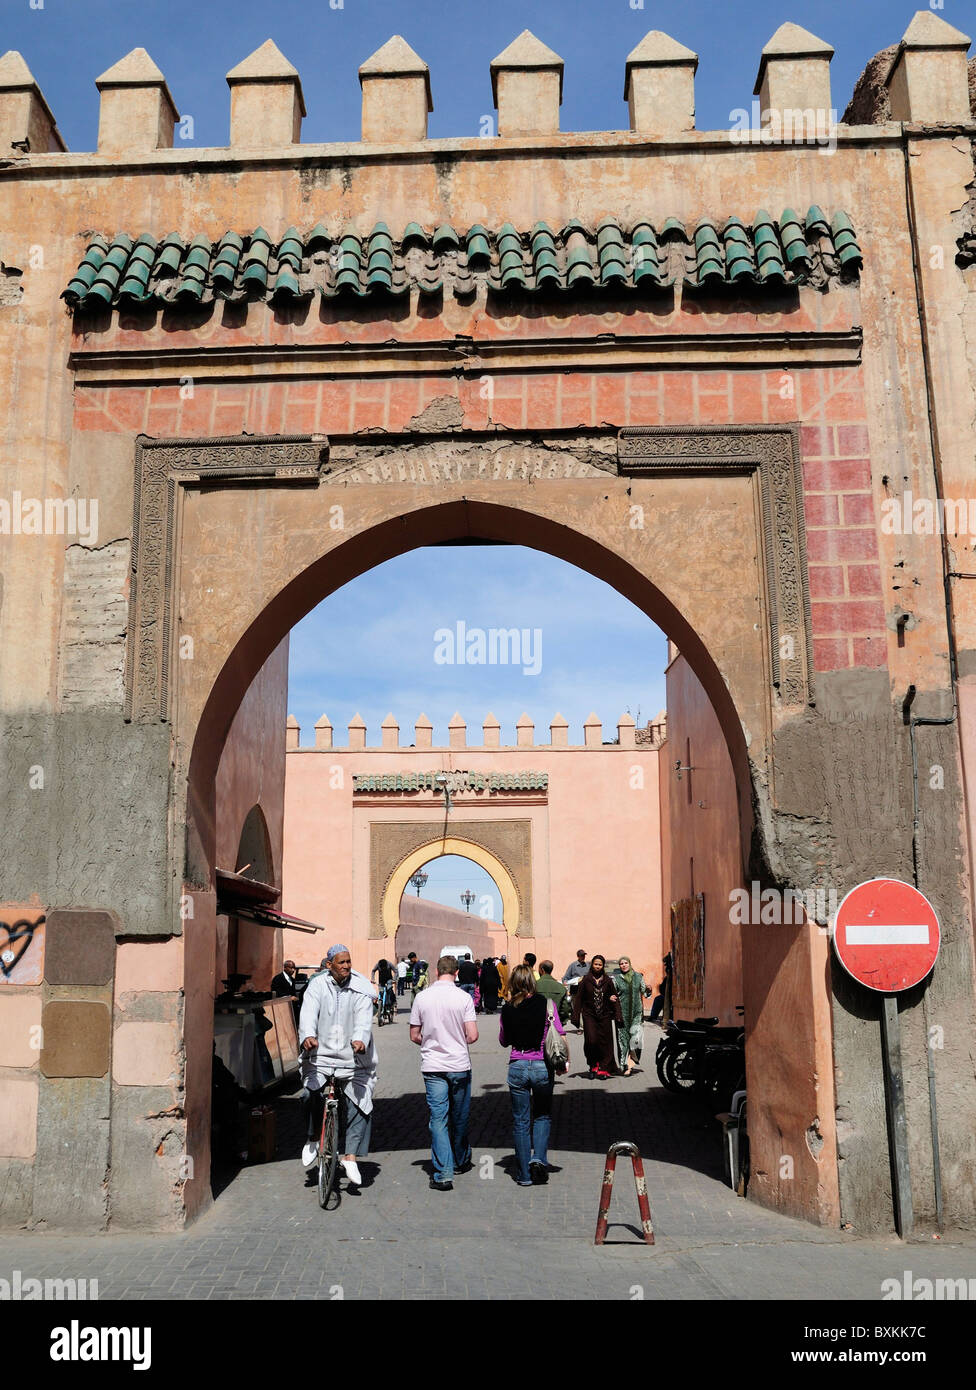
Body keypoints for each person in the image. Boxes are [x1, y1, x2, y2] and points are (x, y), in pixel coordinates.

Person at [299, 944, 377, 1187]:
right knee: (309, 1093)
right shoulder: (317, 986)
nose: (346, 966)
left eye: (349, 962)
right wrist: (308, 1036)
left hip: (352, 1056)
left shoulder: (361, 988)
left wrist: (360, 1039)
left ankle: (350, 1155)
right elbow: (308, 1012)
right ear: (329, 965)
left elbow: (364, 1018)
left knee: (360, 1101)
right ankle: (313, 1137)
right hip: (320, 1053)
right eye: (341, 963)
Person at [409, 955, 478, 1191]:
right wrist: (457, 1040)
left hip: (433, 1066)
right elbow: (473, 1035)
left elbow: (414, 1035)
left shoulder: (422, 997)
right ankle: (460, 1160)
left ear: (437, 972)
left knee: (438, 1120)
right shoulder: (463, 998)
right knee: (459, 1117)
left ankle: (443, 1173)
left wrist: (431, 1042)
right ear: (457, 973)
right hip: (458, 1064)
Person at [499, 964, 566, 1186]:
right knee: (542, 1116)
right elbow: (559, 1034)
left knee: (520, 1120)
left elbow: (504, 1040)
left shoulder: (507, 1008)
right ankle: (538, 1160)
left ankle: (524, 1175)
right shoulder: (547, 1005)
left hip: (518, 1065)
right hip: (541, 1066)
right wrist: (563, 1062)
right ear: (532, 982)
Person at [571, 954, 622, 1079]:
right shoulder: (585, 980)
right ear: (592, 965)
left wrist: (618, 1015)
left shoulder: (608, 981)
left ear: (603, 966)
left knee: (606, 1042)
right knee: (591, 1041)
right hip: (589, 1015)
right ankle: (593, 1064)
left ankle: (604, 1068)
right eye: (595, 964)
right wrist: (576, 1016)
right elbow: (579, 999)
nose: (598, 966)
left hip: (605, 1015)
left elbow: (614, 997)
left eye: (600, 964)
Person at [612, 956, 651, 1077]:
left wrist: (649, 989)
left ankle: (631, 1063)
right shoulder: (617, 979)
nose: (623, 965)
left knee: (635, 1039)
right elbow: (613, 994)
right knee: (623, 1041)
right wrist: (611, 998)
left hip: (636, 1014)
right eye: (621, 964)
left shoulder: (639, 977)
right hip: (622, 1014)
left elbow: (645, 992)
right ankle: (624, 1066)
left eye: (625, 963)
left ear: (629, 963)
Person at [535, 959, 571, 1025]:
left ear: (541, 970)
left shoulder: (533, 986)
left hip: (536, 1024)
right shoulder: (561, 988)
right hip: (554, 1023)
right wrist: (560, 1023)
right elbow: (565, 1010)